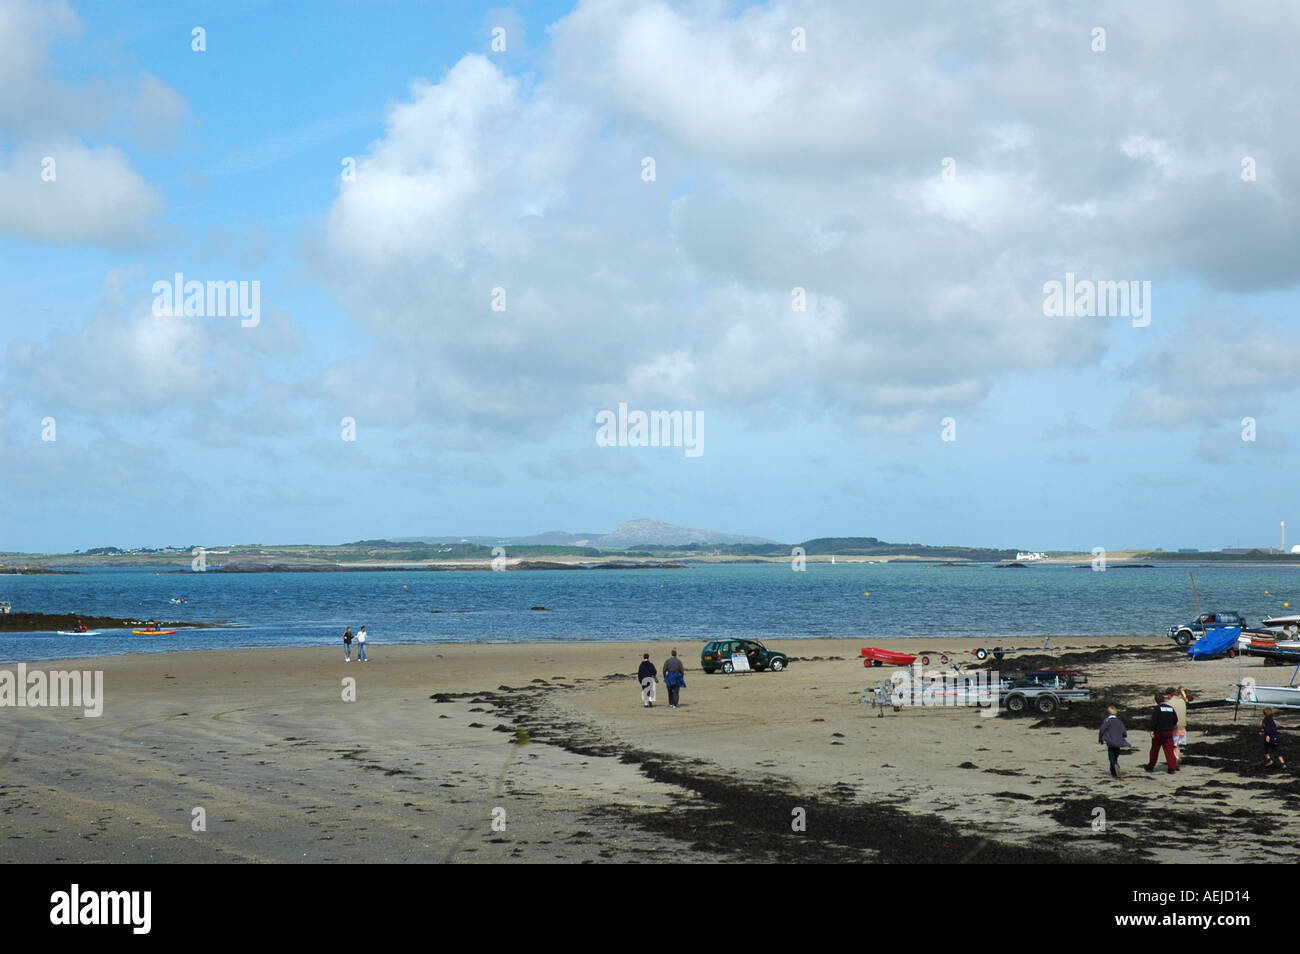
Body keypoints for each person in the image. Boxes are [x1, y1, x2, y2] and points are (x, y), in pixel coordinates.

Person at [1146, 692, 1179, 773]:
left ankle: (1151, 766)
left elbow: (1153, 721)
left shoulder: (1157, 709)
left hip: (1159, 732)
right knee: (1169, 751)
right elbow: (1175, 720)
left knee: (1155, 750)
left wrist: (1152, 730)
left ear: (1156, 701)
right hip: (1169, 732)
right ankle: (1172, 768)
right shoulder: (1170, 708)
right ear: (1164, 699)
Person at [1098, 706, 1131, 778]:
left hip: (1110, 742)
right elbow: (1124, 731)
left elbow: (1102, 730)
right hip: (1118, 741)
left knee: (1111, 757)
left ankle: (1115, 765)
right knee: (1116, 755)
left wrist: (1100, 739)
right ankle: (1113, 771)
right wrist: (1124, 735)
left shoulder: (1107, 721)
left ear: (1108, 713)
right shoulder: (1119, 721)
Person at [1165, 685, 1187, 768]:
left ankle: (1176, 758)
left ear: (1169, 695)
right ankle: (1177, 757)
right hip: (1183, 726)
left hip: (1175, 727)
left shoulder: (1169, 703)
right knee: (1176, 745)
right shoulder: (1182, 701)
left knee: (1173, 745)